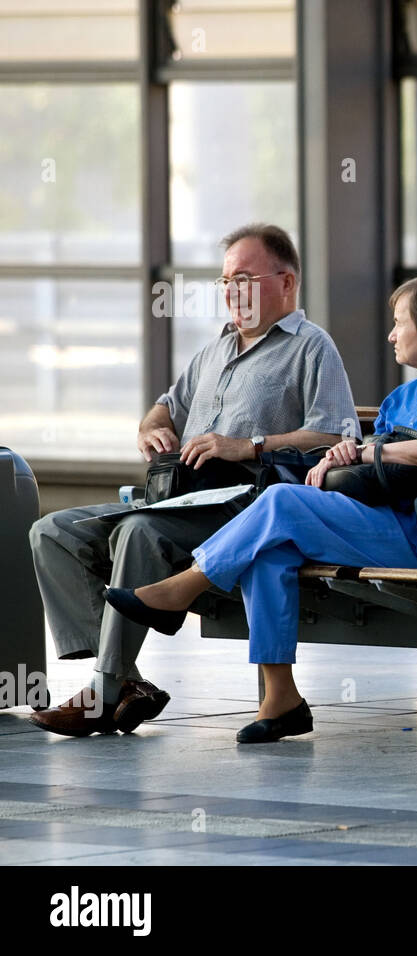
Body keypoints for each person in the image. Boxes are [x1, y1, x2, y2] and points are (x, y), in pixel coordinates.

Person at [104, 275, 417, 743]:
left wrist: (361, 452)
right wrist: (342, 453)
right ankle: (283, 699)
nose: (392, 335)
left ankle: (184, 588)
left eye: (400, 324)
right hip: (378, 521)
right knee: (269, 552)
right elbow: (373, 456)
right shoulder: (401, 399)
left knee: (279, 501)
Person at [27, 223, 356, 737]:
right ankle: (124, 680)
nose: (231, 292)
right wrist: (152, 427)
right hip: (177, 498)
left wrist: (248, 445)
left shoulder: (311, 347)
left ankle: (103, 691)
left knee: (138, 533)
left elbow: (335, 436)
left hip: (244, 509)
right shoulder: (214, 352)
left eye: (244, 278)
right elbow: (165, 408)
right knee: (52, 532)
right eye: (226, 281)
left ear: (286, 282)